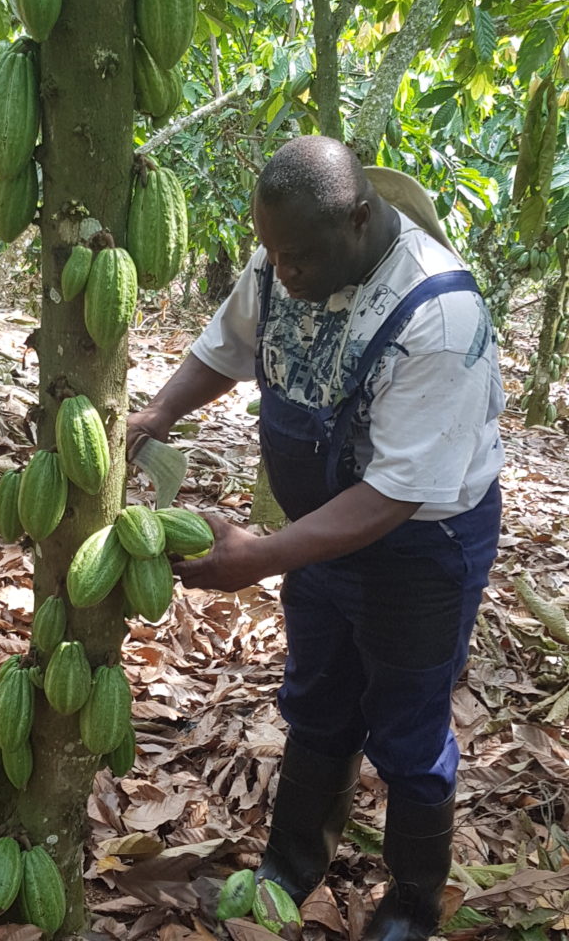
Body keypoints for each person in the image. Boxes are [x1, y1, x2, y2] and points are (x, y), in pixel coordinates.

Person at [127, 136, 504, 941]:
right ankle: (290, 867)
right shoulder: (279, 262)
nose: (281, 271)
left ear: (360, 219)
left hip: (419, 548)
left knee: (408, 727)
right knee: (320, 701)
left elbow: (398, 494)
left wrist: (260, 556)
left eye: (297, 256)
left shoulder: (438, 314)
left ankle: (409, 905)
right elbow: (226, 348)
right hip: (321, 532)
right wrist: (157, 413)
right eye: (272, 251)